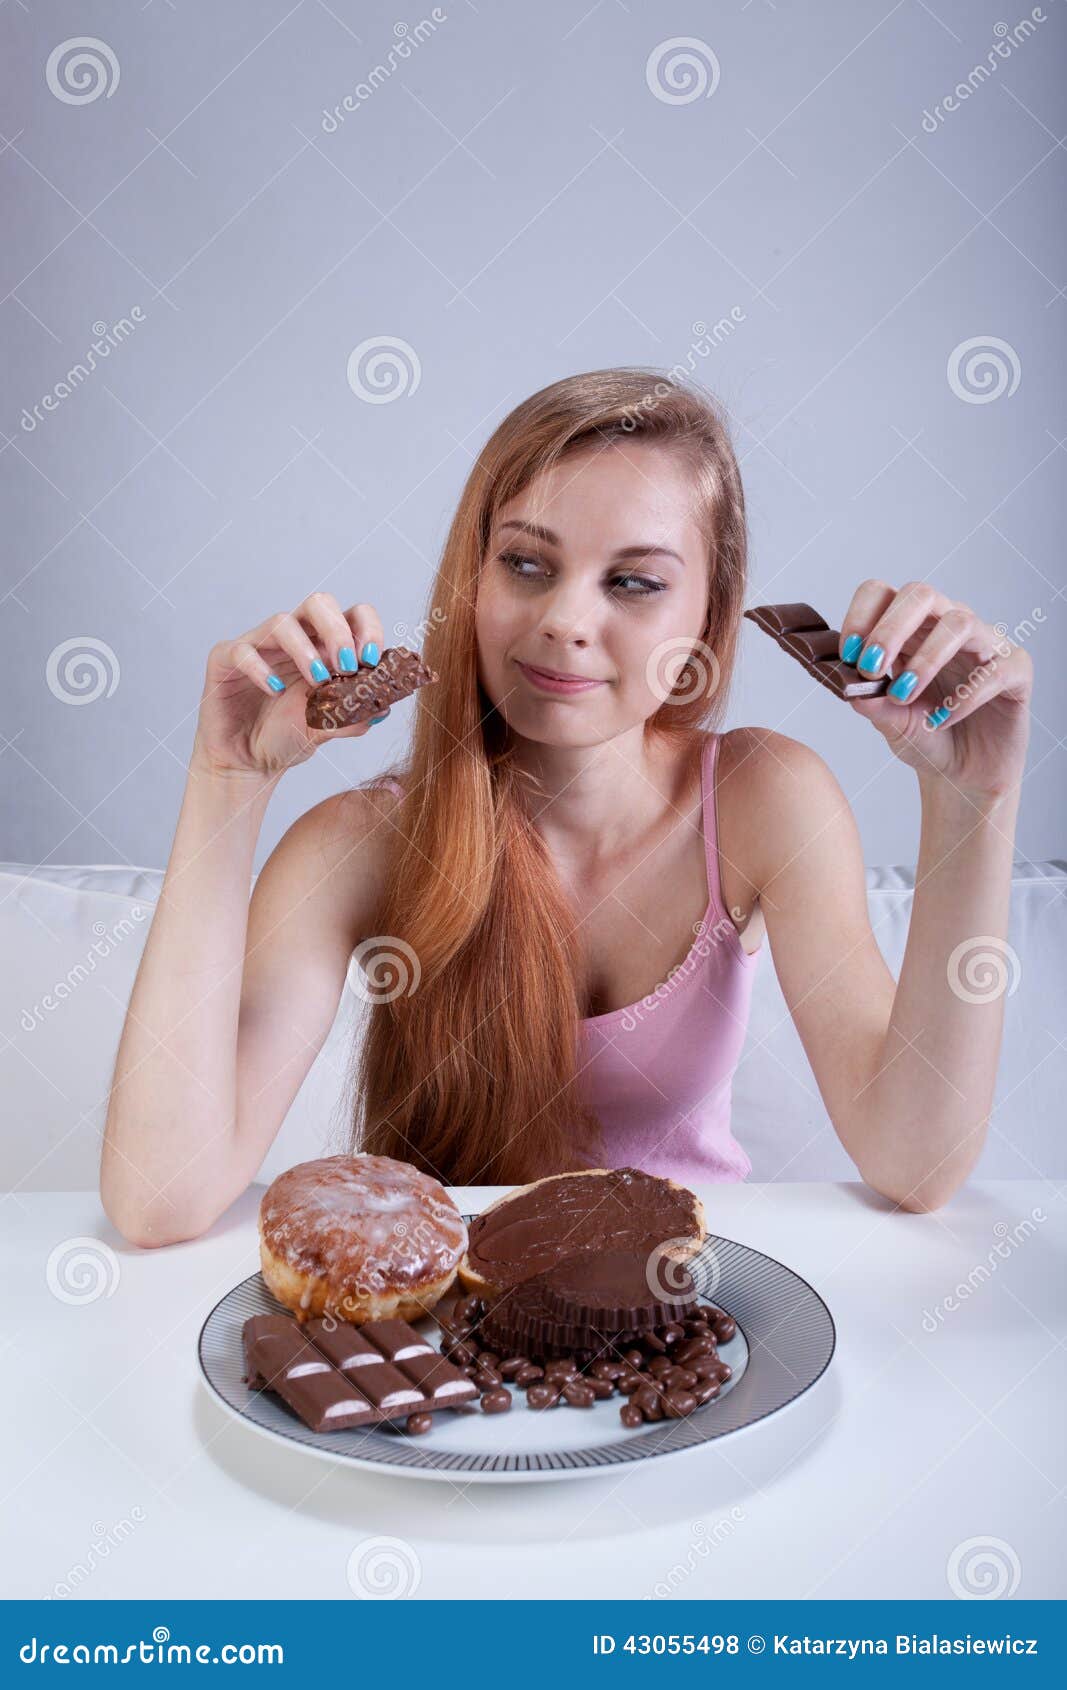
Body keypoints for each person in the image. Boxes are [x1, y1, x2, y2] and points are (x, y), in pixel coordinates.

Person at [100, 371, 1033, 1246]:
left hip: (683, 1327)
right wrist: (227, 784)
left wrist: (971, 803)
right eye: (526, 564)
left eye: (632, 582)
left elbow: (916, 1165)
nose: (565, 621)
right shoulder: (360, 845)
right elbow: (158, 1198)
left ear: (707, 618)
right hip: (454, 1353)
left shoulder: (764, 799)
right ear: (474, 580)